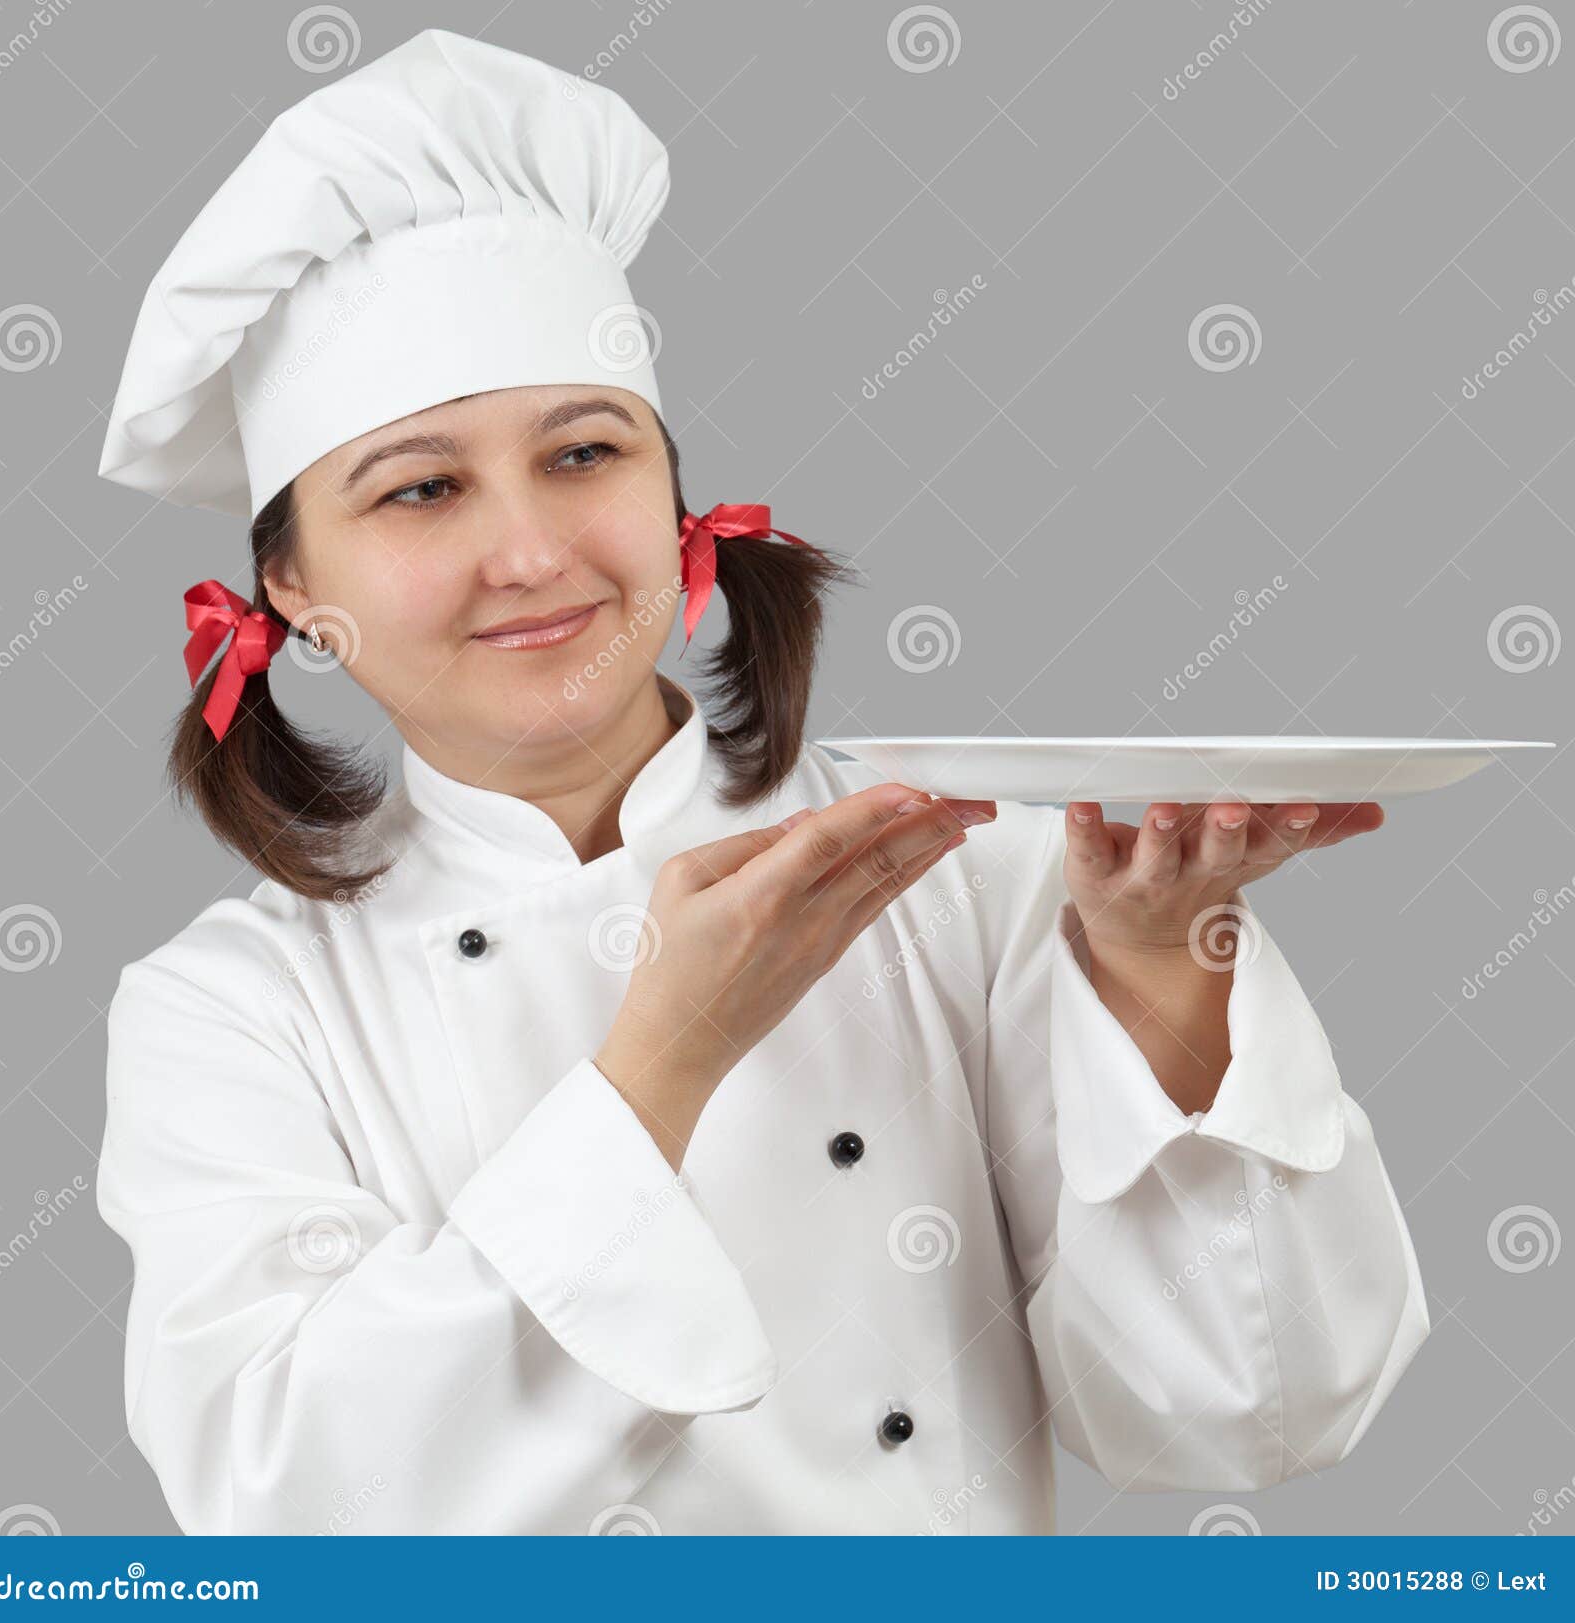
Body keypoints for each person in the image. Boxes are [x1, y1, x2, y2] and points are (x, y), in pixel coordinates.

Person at [93, 28, 1427, 1536]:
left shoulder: (975, 861)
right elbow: (305, 1515)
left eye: (585, 453)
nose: (533, 551)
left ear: (676, 503)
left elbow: (1259, 1414)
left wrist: (1155, 975)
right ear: (287, 581)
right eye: (422, 487)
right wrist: (663, 1058)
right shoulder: (234, 1011)